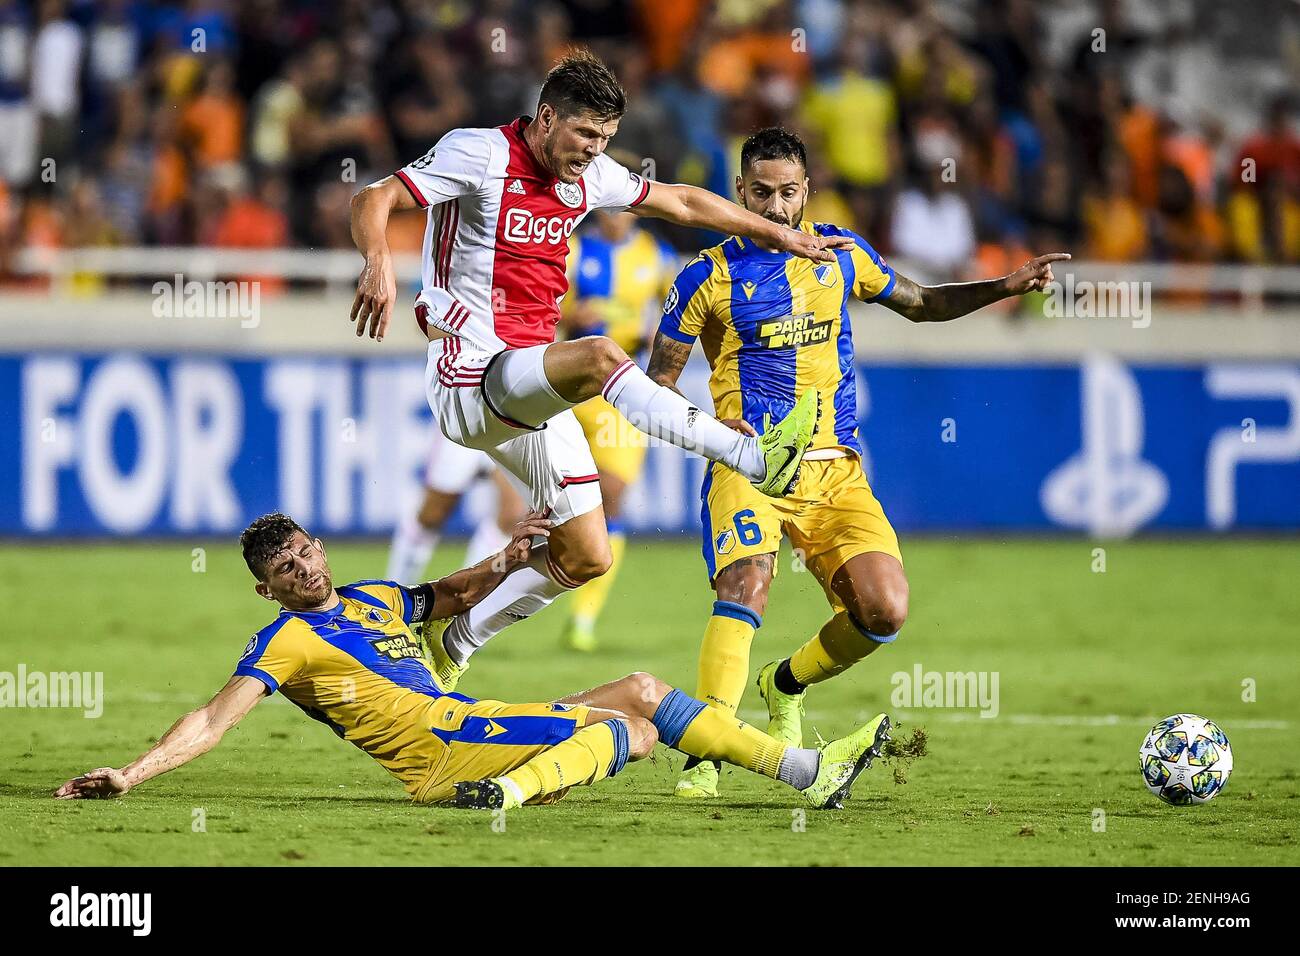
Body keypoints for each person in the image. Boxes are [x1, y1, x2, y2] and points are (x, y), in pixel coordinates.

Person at [348, 51, 850, 692]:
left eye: (606, 139)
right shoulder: (479, 153)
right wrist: (377, 260)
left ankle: (454, 642)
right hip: (469, 373)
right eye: (586, 134)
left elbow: (687, 203)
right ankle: (750, 457)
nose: (593, 150)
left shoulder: (587, 178)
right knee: (600, 354)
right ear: (547, 116)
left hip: (528, 388)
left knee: (587, 555)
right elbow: (376, 195)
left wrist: (780, 236)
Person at [646, 127, 1068, 798]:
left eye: (788, 193)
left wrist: (1004, 285)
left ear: (807, 191)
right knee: (746, 585)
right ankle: (707, 753)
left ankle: (783, 684)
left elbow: (923, 305)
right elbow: (655, 389)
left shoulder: (841, 256)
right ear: (739, 191)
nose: (776, 207)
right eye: (761, 193)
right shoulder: (706, 277)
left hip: (834, 469)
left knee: (884, 611)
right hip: (750, 464)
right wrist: (711, 432)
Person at [54, 513, 891, 812]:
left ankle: (804, 772)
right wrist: (134, 772)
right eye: (287, 572)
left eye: (306, 552)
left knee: (641, 689)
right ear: (268, 593)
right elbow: (213, 716)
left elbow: (442, 596)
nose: (307, 569)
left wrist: (509, 558)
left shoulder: (371, 595)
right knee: (633, 731)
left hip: (464, 719)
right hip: (439, 749)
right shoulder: (286, 642)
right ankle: (506, 794)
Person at [557, 203, 678, 651]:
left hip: (621, 395)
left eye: (625, 209)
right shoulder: (570, 249)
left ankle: (584, 617)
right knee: (552, 499)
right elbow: (540, 308)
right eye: (609, 209)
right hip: (568, 388)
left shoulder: (656, 255)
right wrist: (570, 317)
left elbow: (683, 309)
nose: (616, 217)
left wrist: (660, 336)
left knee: (612, 495)